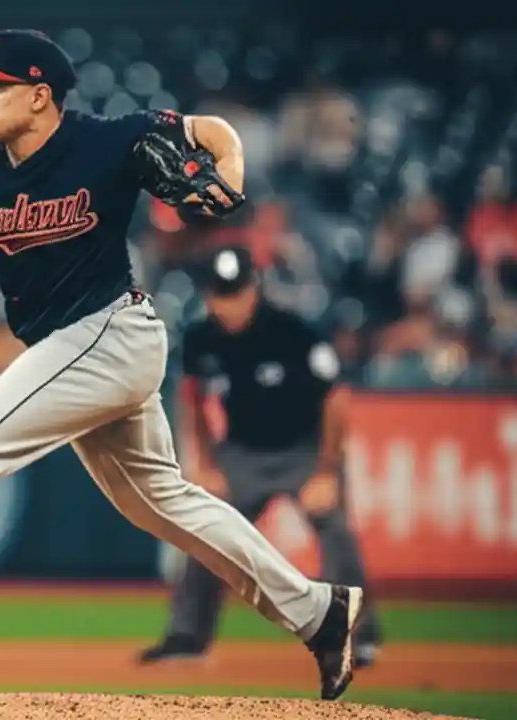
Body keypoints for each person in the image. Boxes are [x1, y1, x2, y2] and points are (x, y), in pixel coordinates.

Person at [0, 29, 365, 706]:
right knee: (162, 503)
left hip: (110, 331)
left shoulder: (107, 140)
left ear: (38, 95)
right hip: (77, 348)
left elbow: (215, 133)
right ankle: (319, 612)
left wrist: (226, 174)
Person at [137, 245, 384, 668]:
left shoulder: (293, 330)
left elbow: (336, 399)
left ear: (254, 289)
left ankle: (356, 634)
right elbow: (193, 398)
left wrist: (326, 471)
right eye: (219, 294)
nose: (227, 305)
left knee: (335, 529)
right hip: (243, 453)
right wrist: (207, 463)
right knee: (205, 530)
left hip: (303, 450)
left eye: (236, 293)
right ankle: (187, 636)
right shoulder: (201, 337)